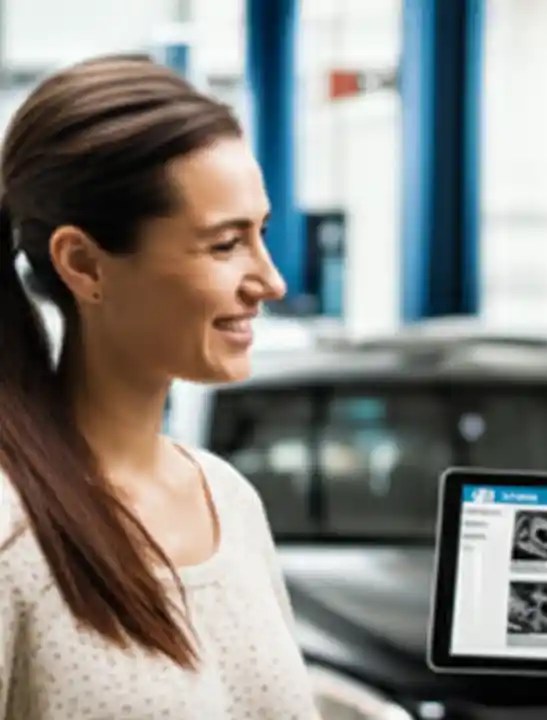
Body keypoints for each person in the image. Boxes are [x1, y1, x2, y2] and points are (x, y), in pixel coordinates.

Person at [0, 56, 318, 718]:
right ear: (84, 264)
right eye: (225, 246)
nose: (271, 281)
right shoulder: (12, 529)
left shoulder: (229, 500)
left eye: (260, 233)